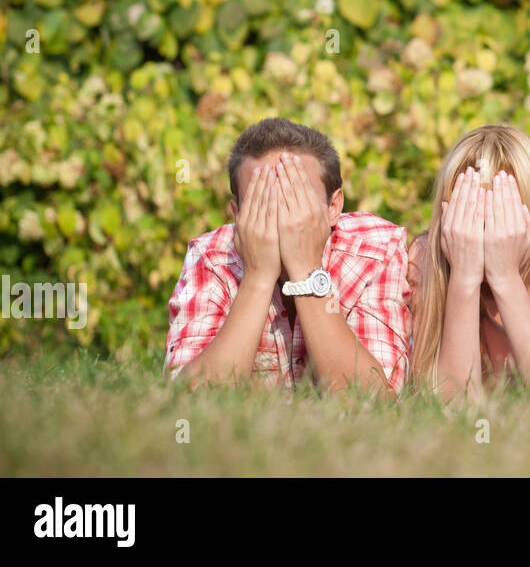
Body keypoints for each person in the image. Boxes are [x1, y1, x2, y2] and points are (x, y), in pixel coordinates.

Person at [165, 118, 412, 393]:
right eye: (262, 201)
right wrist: (257, 278)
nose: (284, 217)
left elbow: (374, 403)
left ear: (334, 206)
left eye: (297, 199)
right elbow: (188, 400)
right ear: (237, 216)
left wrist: (307, 270)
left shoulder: (376, 250)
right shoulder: (211, 256)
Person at [408, 125, 530, 400]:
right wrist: (463, 279)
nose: (489, 236)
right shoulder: (426, 258)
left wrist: (505, 278)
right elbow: (450, 406)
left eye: (504, 219)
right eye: (469, 217)